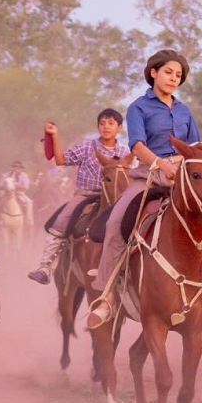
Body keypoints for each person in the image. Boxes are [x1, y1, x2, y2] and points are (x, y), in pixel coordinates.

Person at [88, 49, 202, 329]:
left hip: (185, 180)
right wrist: (161, 163)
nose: (174, 78)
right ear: (153, 73)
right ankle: (107, 296)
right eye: (169, 72)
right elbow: (136, 145)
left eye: (179, 75)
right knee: (114, 223)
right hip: (149, 176)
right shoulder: (139, 107)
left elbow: (200, 152)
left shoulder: (184, 110)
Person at [27, 109, 130, 285]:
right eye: (102, 123)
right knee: (62, 220)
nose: (106, 127)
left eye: (111, 123)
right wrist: (55, 136)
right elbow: (60, 160)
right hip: (87, 194)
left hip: (116, 198)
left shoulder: (125, 151)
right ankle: (45, 267)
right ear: (98, 127)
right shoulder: (86, 146)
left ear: (119, 128)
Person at [0, 160, 34, 228]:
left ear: (21, 169)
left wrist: (16, 185)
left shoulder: (24, 175)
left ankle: (29, 221)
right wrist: (5, 186)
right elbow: (0, 185)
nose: (16, 169)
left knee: (29, 202)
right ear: (12, 168)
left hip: (20, 193)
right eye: (15, 167)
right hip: (8, 193)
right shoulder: (7, 175)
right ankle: (0, 220)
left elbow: (26, 186)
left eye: (18, 168)